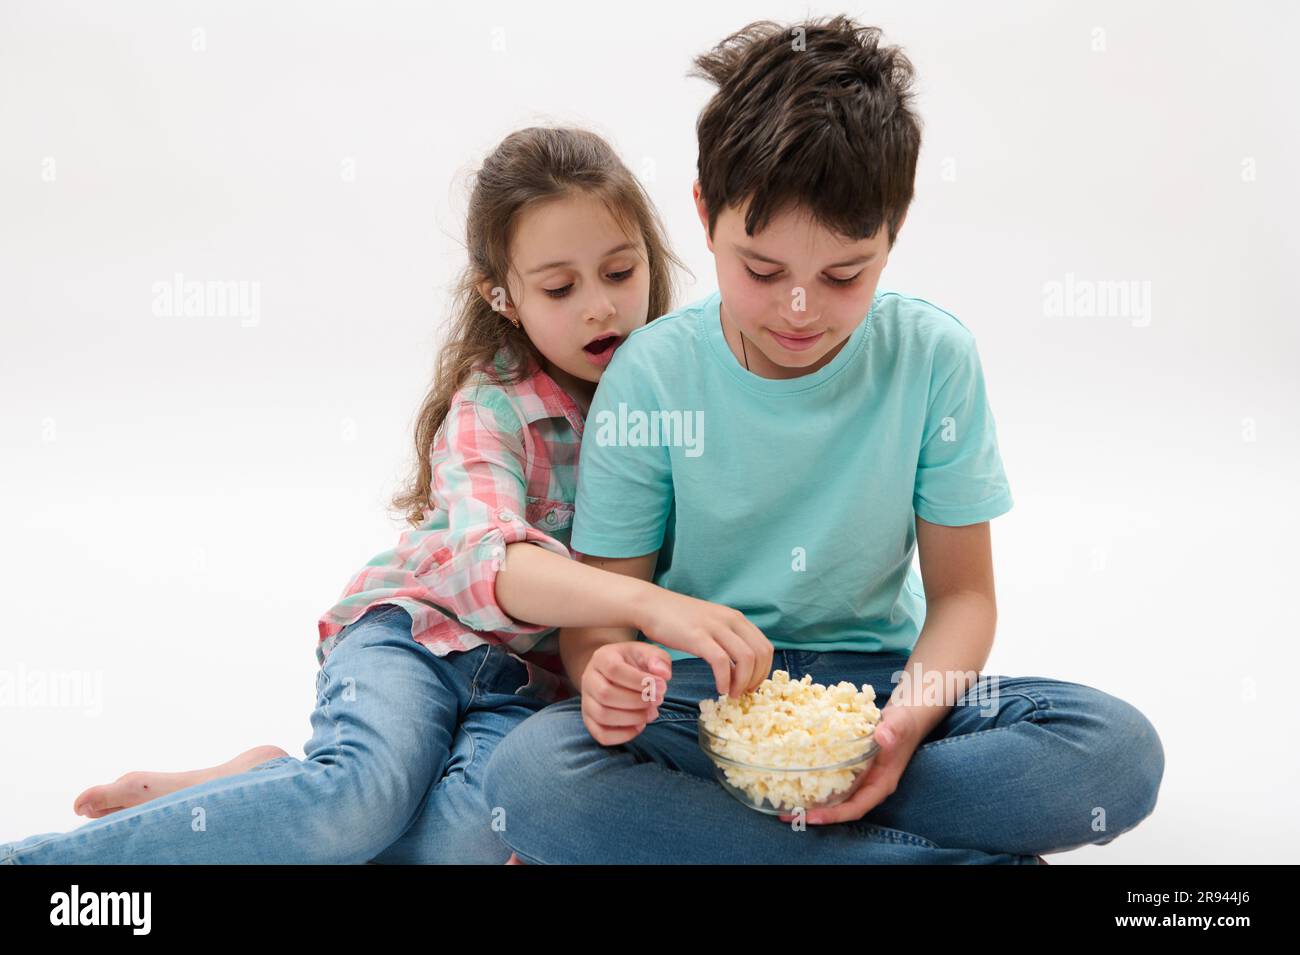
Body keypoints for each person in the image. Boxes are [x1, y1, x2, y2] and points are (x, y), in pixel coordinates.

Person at [480, 16, 1166, 864]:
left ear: (895, 228)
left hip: (882, 689)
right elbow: (604, 619)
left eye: (844, 275)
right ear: (703, 212)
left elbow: (963, 598)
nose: (798, 311)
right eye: (761, 271)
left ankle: (767, 840)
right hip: (703, 697)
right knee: (533, 775)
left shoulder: (932, 358)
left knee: (1115, 749)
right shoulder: (651, 376)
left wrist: (902, 730)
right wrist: (609, 678)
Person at [1, 126, 773, 865]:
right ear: (502, 295)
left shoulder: (668, 397)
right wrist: (646, 607)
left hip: (526, 687)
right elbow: (490, 563)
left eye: (620, 271)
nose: (599, 306)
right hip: (418, 640)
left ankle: (257, 788)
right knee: (362, 796)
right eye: (559, 287)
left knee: (472, 840)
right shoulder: (491, 405)